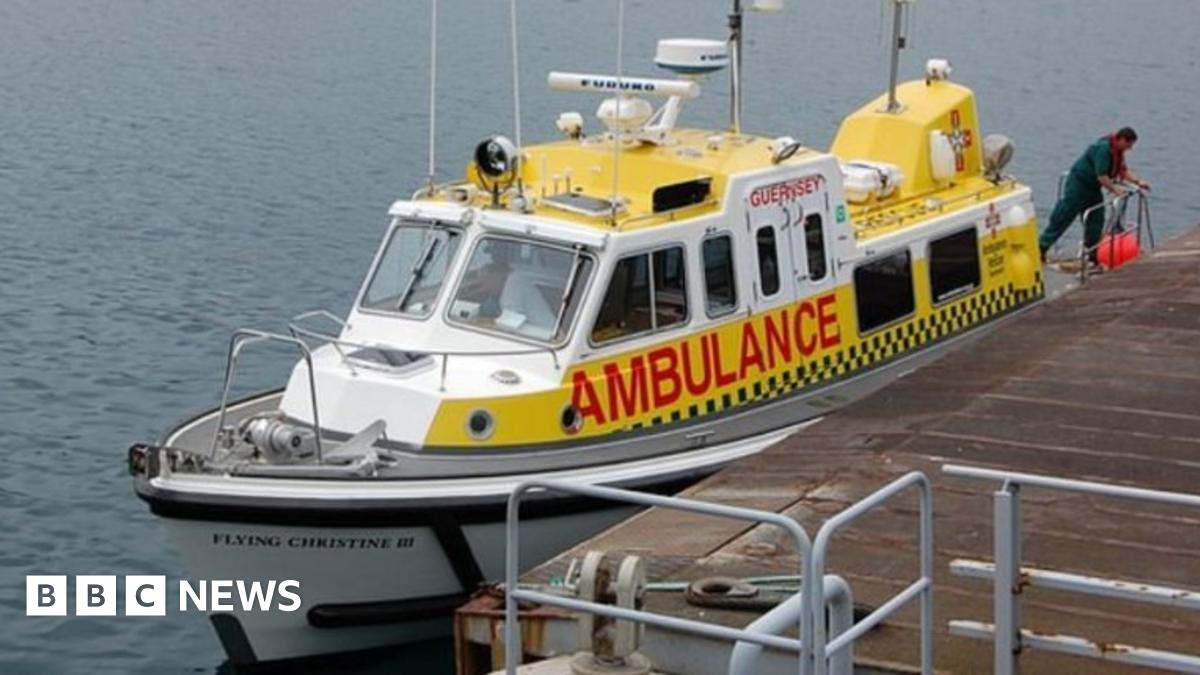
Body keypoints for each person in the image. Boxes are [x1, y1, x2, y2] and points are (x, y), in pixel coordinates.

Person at [1039, 127, 1151, 260]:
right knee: (1065, 215)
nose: (1129, 148)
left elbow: (1123, 171)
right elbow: (1102, 176)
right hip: (1078, 184)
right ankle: (1042, 246)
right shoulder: (1103, 149)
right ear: (1121, 139)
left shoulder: (1118, 152)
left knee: (1096, 219)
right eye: (1128, 145)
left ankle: (1092, 253)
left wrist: (1138, 182)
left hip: (1092, 188)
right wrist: (1115, 190)